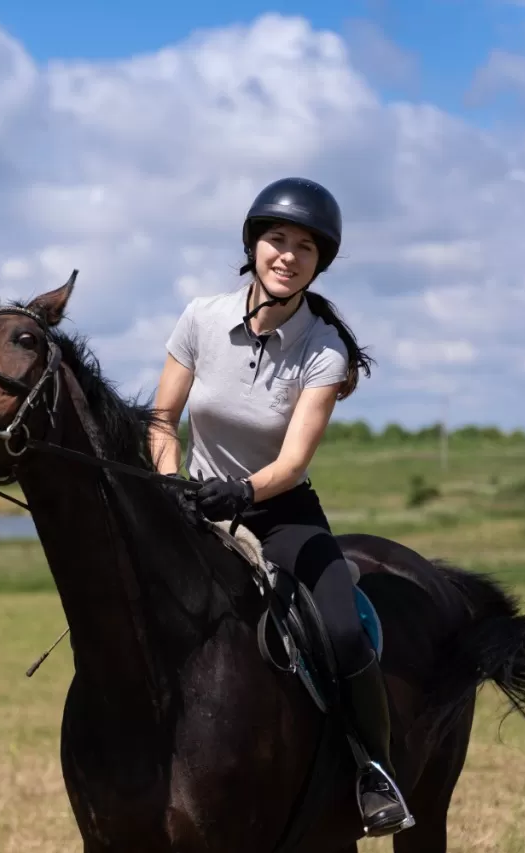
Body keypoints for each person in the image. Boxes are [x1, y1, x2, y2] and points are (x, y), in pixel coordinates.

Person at [148, 176, 414, 837]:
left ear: (318, 262)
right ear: (252, 244)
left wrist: (241, 492)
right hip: (195, 507)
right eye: (276, 239)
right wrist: (174, 481)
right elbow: (161, 418)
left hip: (282, 514)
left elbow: (292, 462)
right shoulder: (200, 317)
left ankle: (371, 771)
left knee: (345, 631)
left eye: (304, 247)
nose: (287, 255)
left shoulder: (324, 349)